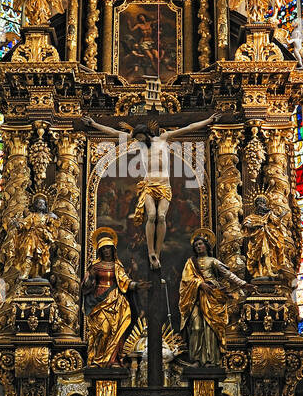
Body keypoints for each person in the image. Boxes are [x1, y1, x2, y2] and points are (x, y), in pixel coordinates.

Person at [83, 110, 217, 267]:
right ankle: (150, 251)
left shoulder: (163, 139)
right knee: (151, 215)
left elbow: (188, 128)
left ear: (146, 134)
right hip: (149, 185)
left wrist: (208, 120)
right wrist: (93, 124)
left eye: (140, 137)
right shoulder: (139, 144)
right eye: (137, 139)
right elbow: (113, 132)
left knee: (161, 216)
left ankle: (157, 254)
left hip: (164, 185)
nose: (138, 141)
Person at [178, 229, 245, 365]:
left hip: (212, 296)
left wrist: (244, 284)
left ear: (207, 246)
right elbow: (186, 280)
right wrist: (200, 284)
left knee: (210, 328)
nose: (198, 247)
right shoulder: (190, 263)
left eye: (201, 244)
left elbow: (228, 275)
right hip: (195, 298)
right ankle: (196, 359)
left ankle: (211, 359)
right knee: (196, 328)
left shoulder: (213, 261)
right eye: (196, 245)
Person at [81, 229, 134, 366]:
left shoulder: (117, 266)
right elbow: (86, 285)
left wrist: (135, 285)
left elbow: (125, 281)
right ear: (100, 251)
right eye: (103, 249)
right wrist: (89, 278)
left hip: (114, 300)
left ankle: (113, 359)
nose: (106, 251)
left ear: (113, 250)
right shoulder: (95, 266)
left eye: (108, 249)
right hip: (98, 300)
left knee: (114, 330)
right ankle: (98, 359)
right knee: (102, 331)